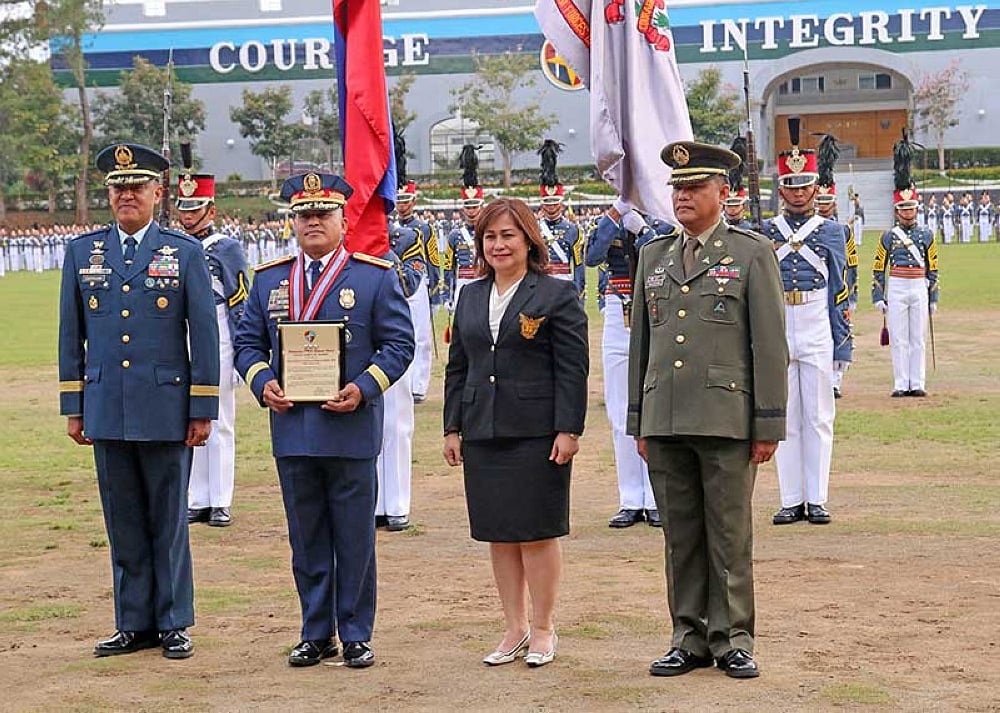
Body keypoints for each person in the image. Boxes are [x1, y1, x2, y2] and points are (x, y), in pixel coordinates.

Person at [233, 172, 414, 668]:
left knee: (355, 537)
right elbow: (247, 342)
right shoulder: (270, 279)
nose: (312, 222)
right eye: (303, 215)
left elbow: (400, 345)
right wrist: (261, 378)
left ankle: (355, 631)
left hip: (350, 428)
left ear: (342, 218)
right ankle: (316, 631)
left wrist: (363, 387)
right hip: (293, 430)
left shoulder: (373, 277)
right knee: (307, 538)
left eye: (322, 213)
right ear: (293, 221)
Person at [627, 141, 788, 679]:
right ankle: (688, 635)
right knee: (681, 534)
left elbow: (767, 346)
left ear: (725, 192)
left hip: (725, 417)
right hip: (665, 416)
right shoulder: (654, 255)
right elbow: (643, 349)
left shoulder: (750, 253)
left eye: (694, 187)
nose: (683, 196)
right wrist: (638, 419)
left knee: (729, 533)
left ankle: (733, 637)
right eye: (677, 187)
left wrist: (767, 423)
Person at [58, 143, 220, 659]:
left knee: (169, 520)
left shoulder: (185, 252)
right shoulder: (82, 253)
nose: (126, 195)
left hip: (166, 408)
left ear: (157, 193)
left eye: (136, 187)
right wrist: (74, 405)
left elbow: (204, 338)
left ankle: (173, 621)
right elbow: (70, 335)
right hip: (107, 407)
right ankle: (132, 622)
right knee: (122, 520)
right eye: (117, 188)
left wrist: (201, 408)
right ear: (109, 194)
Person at [443, 197, 588, 668]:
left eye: (508, 235)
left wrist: (568, 428)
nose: (498, 245)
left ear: (529, 239)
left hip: (536, 432)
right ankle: (514, 627)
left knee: (537, 532)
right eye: (490, 237)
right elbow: (458, 366)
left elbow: (572, 370)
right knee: (499, 533)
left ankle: (544, 627)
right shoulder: (469, 295)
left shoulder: (555, 294)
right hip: (482, 429)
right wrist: (452, 427)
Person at [761, 117, 852, 526]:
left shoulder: (833, 232)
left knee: (817, 415)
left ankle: (817, 497)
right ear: (780, 189)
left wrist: (842, 344)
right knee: (785, 414)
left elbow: (841, 290)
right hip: (779, 319)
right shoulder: (765, 230)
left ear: (816, 187)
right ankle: (790, 497)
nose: (797, 193)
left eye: (804, 185)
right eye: (791, 186)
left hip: (815, 318)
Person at [586, 198, 675, 528]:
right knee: (619, 409)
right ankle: (630, 498)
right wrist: (615, 213)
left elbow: (664, 253)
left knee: (653, 406)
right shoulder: (609, 220)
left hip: (652, 310)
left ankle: (654, 497)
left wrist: (642, 227)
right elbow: (592, 256)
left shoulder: (664, 219)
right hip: (616, 309)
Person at [176, 158, 249, 527]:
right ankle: (196, 496)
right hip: (179, 332)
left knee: (218, 418)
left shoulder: (226, 247)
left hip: (218, 329)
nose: (188, 216)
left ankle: (220, 498)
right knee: (186, 416)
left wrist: (241, 351)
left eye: (195, 208)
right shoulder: (172, 245)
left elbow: (240, 300)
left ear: (210, 209)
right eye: (184, 208)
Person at [873, 132, 939, 397]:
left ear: (916, 209)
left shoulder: (926, 235)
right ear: (897, 211)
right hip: (898, 285)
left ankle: (918, 382)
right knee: (899, 338)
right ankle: (901, 382)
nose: (908, 212)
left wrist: (934, 296)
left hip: (919, 286)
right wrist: (878, 296)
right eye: (904, 209)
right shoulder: (888, 236)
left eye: (911, 208)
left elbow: (933, 268)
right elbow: (879, 268)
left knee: (917, 338)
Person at [814, 134, 859, 399]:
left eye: (826, 203)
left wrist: (852, 294)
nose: (822, 207)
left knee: (840, 329)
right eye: (819, 202)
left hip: (839, 290)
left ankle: (836, 380)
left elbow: (850, 264)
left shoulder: (843, 230)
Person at [537, 139, 586, 302]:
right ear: (542, 204)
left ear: (561, 204)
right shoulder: (533, 229)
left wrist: (578, 291)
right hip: (540, 284)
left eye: (554, 203)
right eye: (547, 203)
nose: (551, 207)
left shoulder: (573, 230)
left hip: (564, 284)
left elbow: (578, 265)